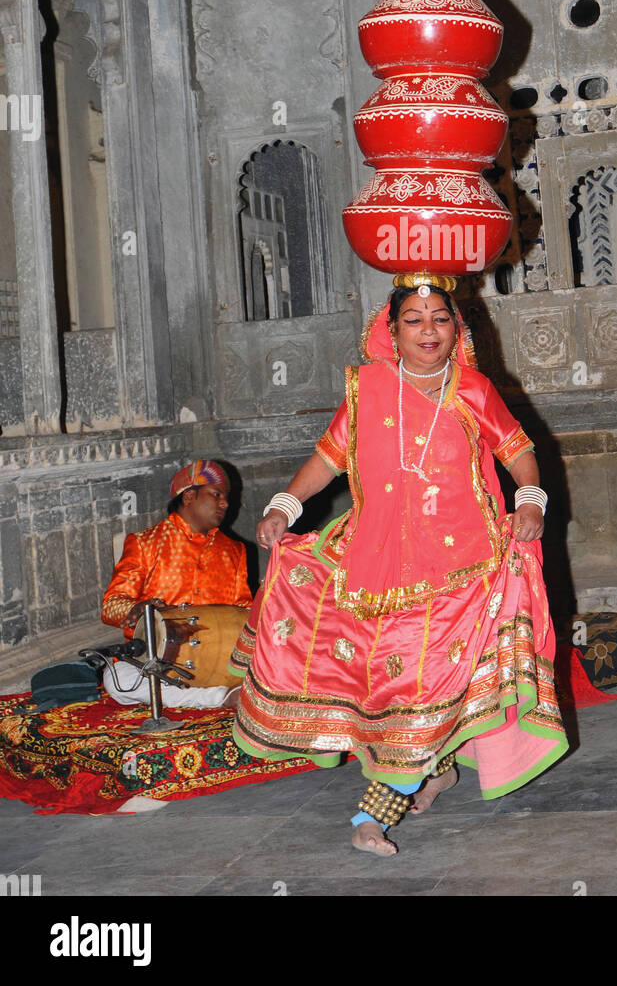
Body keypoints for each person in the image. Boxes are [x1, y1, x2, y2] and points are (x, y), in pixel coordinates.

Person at [230, 279, 567, 855]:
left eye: (440, 319)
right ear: (391, 333)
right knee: (389, 680)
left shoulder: (474, 388)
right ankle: (438, 768)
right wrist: (285, 507)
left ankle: (372, 814)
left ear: (456, 329)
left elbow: (517, 449)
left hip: (465, 564)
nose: (428, 331)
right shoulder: (368, 389)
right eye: (414, 320)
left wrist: (530, 499)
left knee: (423, 682)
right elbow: (328, 457)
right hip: (377, 562)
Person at [100, 460, 252, 709]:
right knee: (117, 680)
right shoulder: (144, 544)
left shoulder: (234, 551)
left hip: (220, 661)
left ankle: (216, 691)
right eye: (216, 495)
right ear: (189, 496)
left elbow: (244, 612)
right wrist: (136, 610)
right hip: (158, 662)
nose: (225, 504)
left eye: (226, 497)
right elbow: (110, 605)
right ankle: (219, 698)